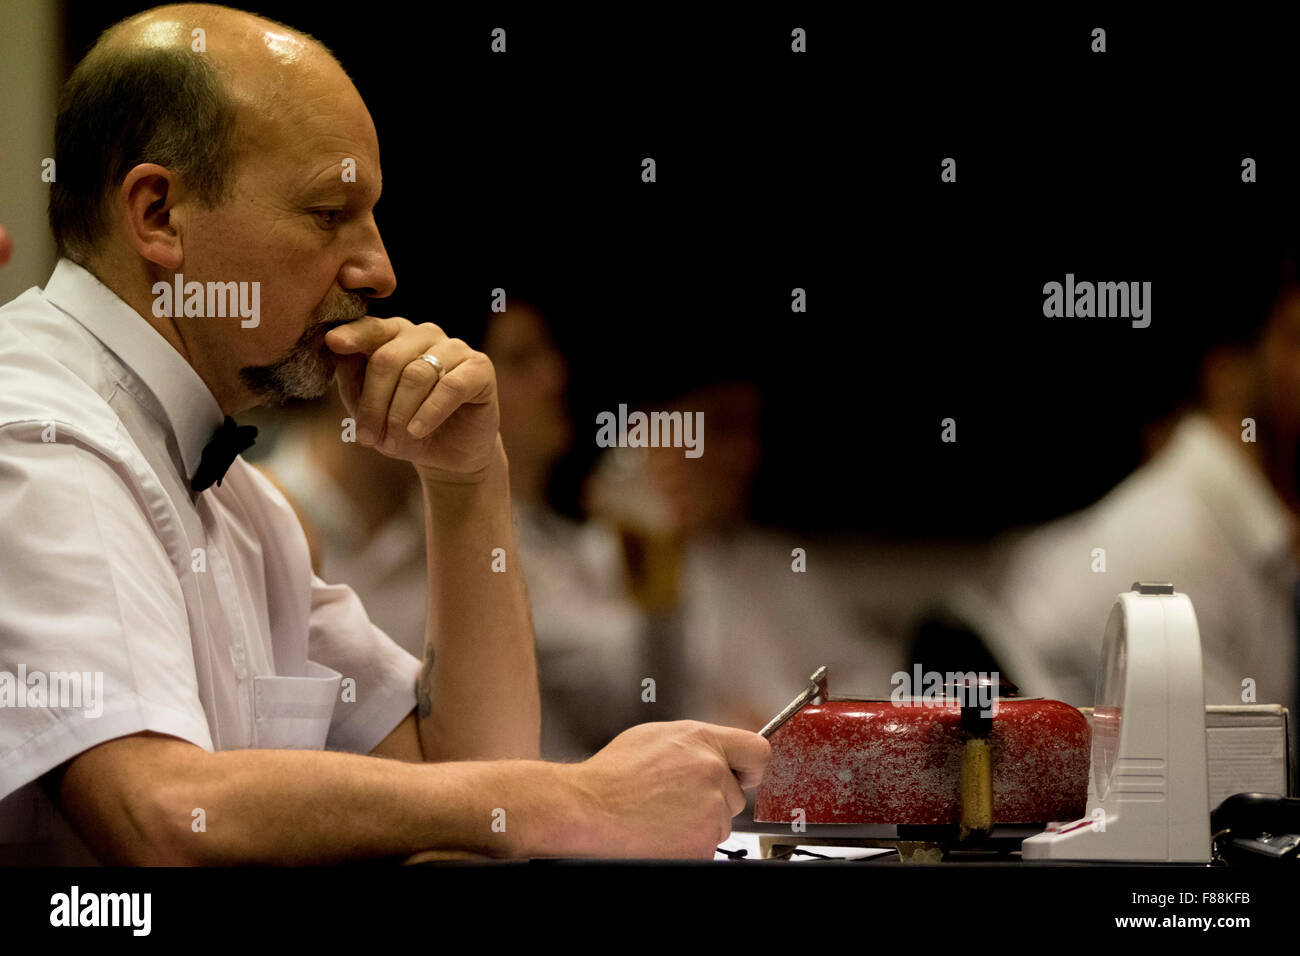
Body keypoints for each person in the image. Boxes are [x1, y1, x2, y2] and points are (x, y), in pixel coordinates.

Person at [0, 3, 767, 865]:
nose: (379, 270)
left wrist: (468, 481)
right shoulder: (39, 432)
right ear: (160, 215)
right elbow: (163, 818)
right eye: (331, 212)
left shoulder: (236, 496)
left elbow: (468, 773)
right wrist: (582, 797)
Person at [953, 238, 1300, 783]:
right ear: (1228, 374)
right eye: (1297, 342)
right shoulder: (1176, 541)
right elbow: (1240, 800)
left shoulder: (1251, 534)